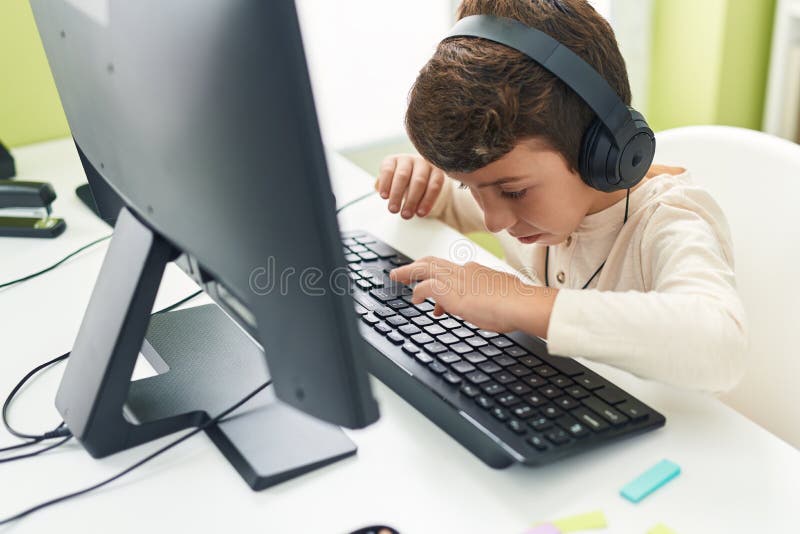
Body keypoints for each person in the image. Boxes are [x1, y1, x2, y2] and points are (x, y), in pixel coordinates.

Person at [375, 0, 747, 392]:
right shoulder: (522, 202)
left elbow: (721, 342)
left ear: (601, 150)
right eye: (471, 186)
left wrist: (520, 299)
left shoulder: (669, 219)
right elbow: (444, 204)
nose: (493, 221)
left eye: (513, 191)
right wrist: (418, 182)